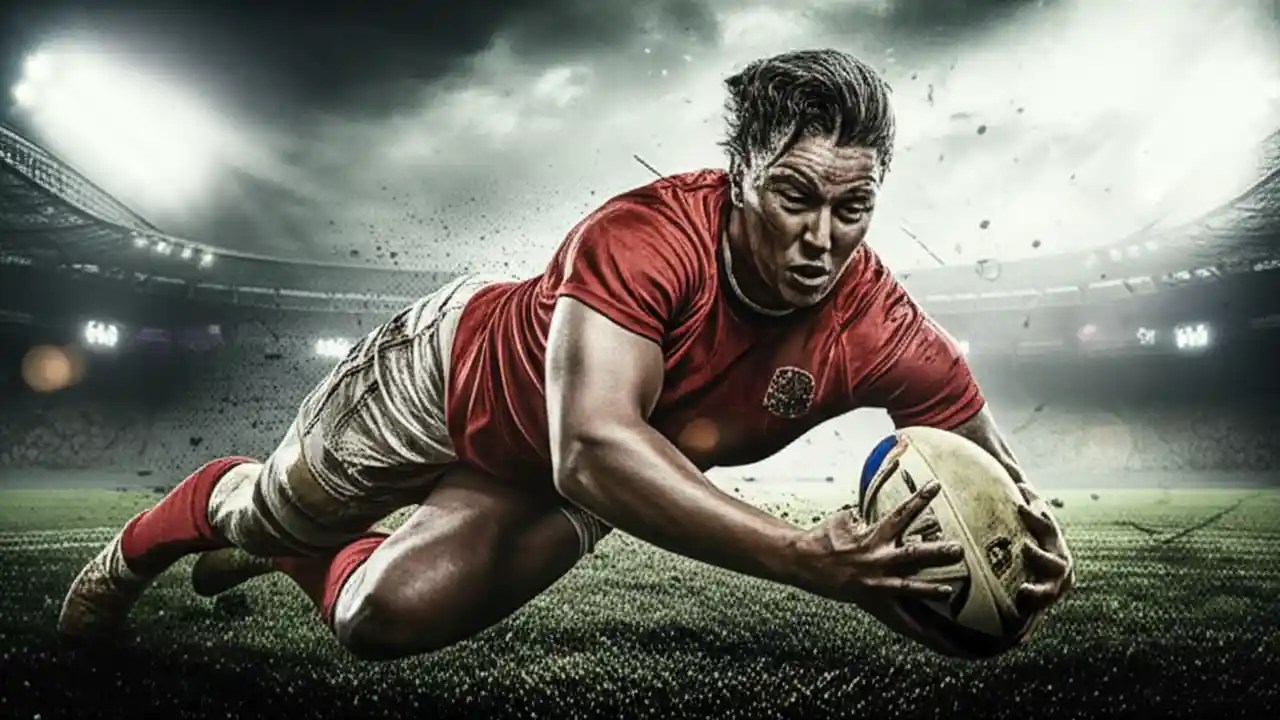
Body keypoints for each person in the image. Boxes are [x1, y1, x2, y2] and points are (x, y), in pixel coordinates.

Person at [59, 48, 1073, 660]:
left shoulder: (882, 326)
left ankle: (298, 552)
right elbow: (588, 446)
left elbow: (996, 480)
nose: (820, 237)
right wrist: (806, 559)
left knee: (382, 625)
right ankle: (164, 534)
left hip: (587, 468)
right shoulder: (646, 234)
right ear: (736, 177)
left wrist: (1025, 553)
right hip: (448, 384)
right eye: (792, 197)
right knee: (267, 503)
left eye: (850, 207)